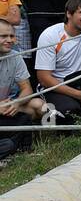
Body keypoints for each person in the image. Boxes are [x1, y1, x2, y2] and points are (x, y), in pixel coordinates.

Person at [0, 17, 47, 148]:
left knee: (41, 106)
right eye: (3, 36)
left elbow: (27, 88)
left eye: (12, 36)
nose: (10, 40)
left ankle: (28, 137)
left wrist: (16, 102)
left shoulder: (15, 55)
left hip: (8, 105)